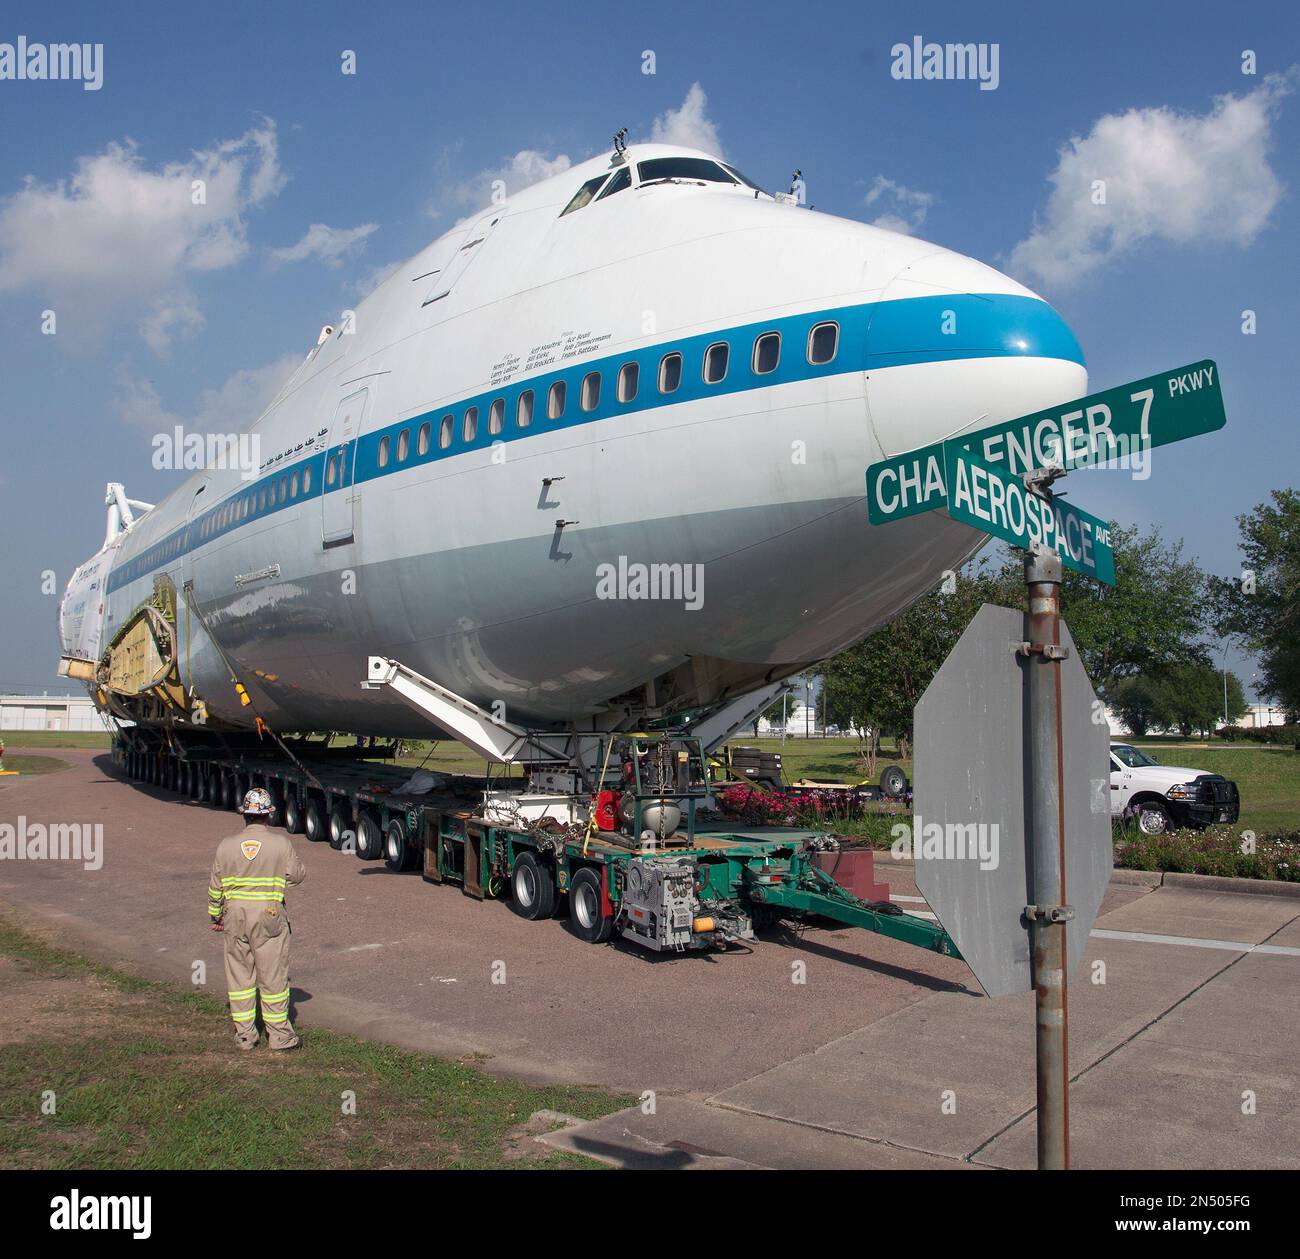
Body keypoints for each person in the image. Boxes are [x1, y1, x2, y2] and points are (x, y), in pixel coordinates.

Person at [207, 787, 306, 1050]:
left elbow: (216, 885)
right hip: (269, 914)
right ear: (268, 816)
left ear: (244, 815)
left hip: (234, 914)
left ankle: (245, 1036)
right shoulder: (280, 844)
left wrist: (216, 914)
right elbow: (297, 876)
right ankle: (280, 1037)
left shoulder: (226, 845)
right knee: (272, 975)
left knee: (240, 977)